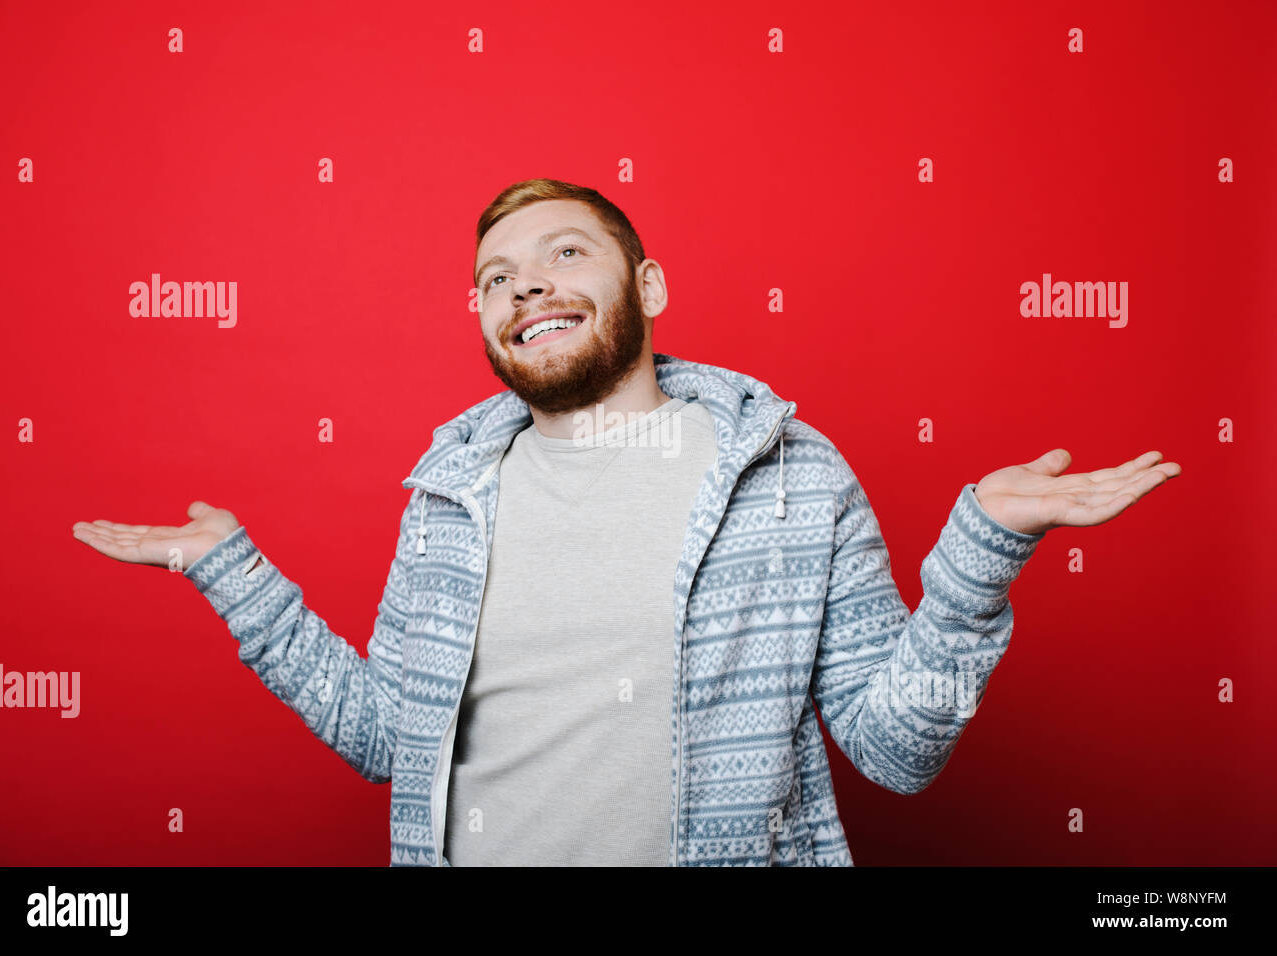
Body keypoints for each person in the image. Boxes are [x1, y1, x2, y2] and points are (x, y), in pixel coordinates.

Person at [71, 178, 1182, 866]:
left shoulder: (791, 474)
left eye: (565, 254)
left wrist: (977, 557)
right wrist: (237, 576)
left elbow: (893, 753)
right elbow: (387, 738)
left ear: (645, 284)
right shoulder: (450, 496)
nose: (526, 287)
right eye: (495, 276)